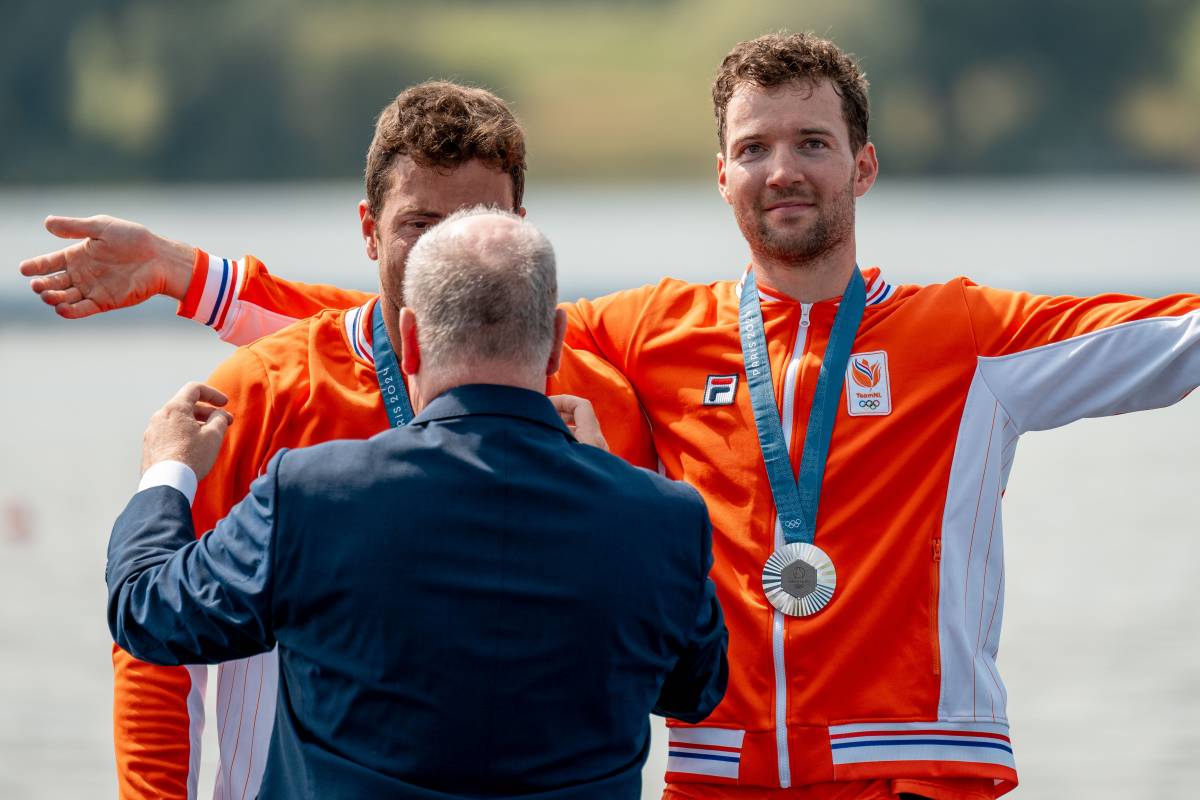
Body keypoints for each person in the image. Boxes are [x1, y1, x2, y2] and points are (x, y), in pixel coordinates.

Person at [20, 32, 1200, 800]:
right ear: (721, 174)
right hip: (717, 775)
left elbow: (1173, 337)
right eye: (754, 147)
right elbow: (452, 321)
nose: (783, 168)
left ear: (866, 165)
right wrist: (199, 279)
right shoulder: (650, 332)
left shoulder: (971, 334)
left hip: (918, 771)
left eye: (812, 145)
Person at [22, 81, 658, 800]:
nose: (446, 258)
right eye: (419, 225)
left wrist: (195, 277)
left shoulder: (595, 406)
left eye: (474, 222)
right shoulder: (265, 390)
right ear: (369, 229)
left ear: (519, 224)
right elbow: (159, 646)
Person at [107, 208, 728, 799]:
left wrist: (171, 469)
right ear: (558, 341)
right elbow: (695, 687)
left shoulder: (312, 495)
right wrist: (610, 480)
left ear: (408, 340)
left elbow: (148, 610)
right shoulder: (661, 518)